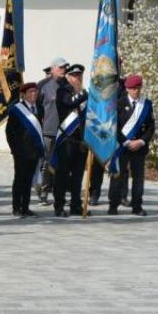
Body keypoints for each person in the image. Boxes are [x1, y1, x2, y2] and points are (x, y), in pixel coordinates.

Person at [108, 74, 155, 216]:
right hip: (122, 146)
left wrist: (141, 141)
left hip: (139, 147)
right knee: (117, 176)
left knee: (138, 179)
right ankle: (113, 205)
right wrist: (127, 142)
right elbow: (114, 126)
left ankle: (137, 206)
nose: (136, 91)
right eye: (133, 88)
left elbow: (151, 127)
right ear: (127, 89)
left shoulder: (146, 104)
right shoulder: (118, 103)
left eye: (138, 88)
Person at [53, 64, 90, 218]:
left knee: (77, 176)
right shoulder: (63, 91)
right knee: (62, 175)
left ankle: (76, 204)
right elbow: (69, 103)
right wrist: (85, 93)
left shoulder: (82, 94)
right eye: (74, 76)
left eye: (80, 76)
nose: (78, 78)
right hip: (67, 140)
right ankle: (59, 206)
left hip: (81, 141)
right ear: (68, 77)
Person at [6, 82, 44, 217]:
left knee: (28, 180)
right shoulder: (17, 109)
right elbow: (9, 132)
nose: (34, 94)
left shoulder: (39, 108)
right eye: (30, 92)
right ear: (24, 94)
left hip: (34, 151)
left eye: (35, 91)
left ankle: (25, 207)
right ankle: (16, 207)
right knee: (19, 179)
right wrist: (15, 149)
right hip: (21, 151)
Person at [37, 58, 69, 203]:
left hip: (64, 132)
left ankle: (58, 193)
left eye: (65, 67)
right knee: (45, 163)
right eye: (61, 67)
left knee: (61, 164)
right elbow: (36, 108)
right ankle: (43, 192)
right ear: (53, 68)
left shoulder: (67, 85)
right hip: (47, 131)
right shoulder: (43, 85)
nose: (64, 70)